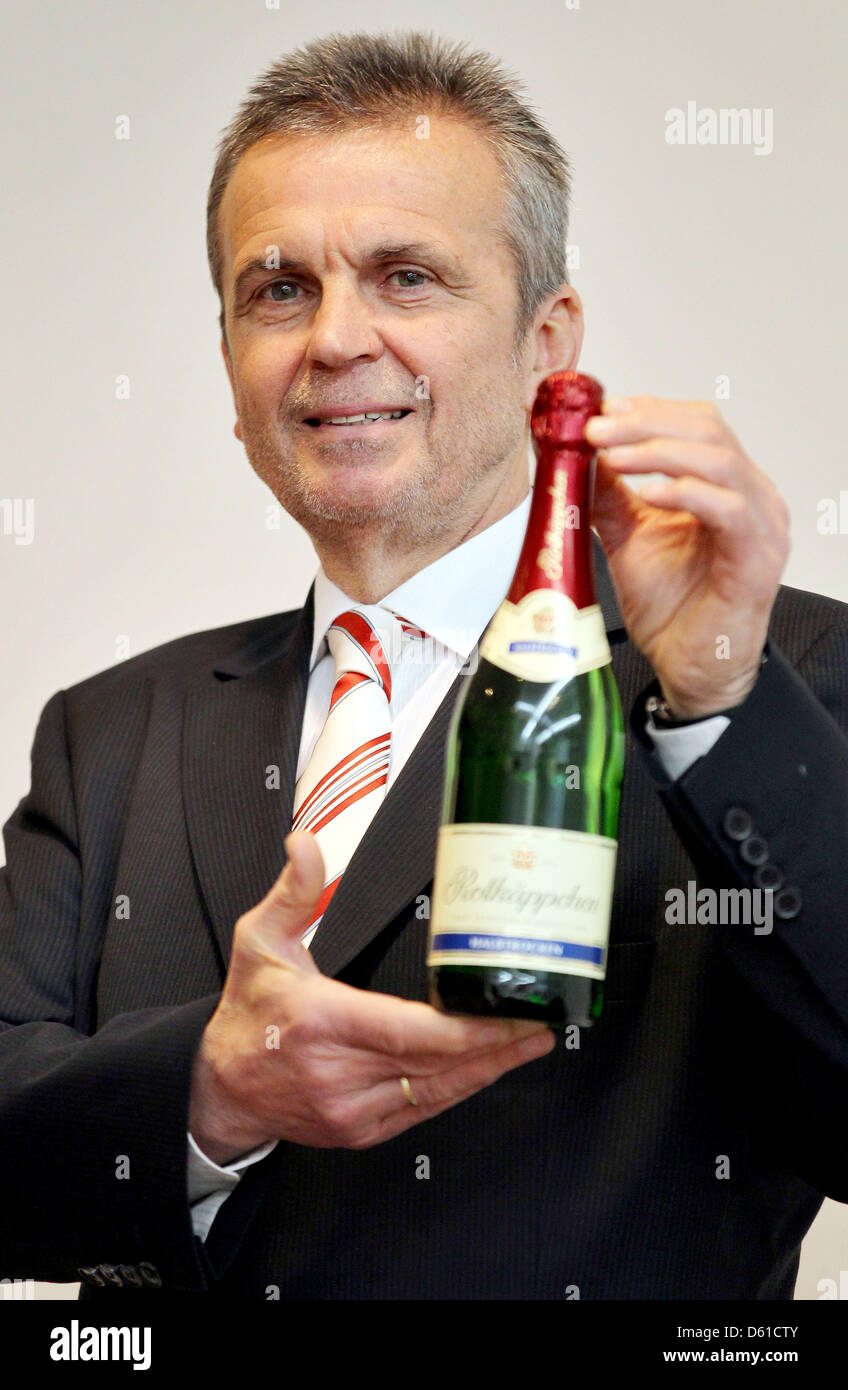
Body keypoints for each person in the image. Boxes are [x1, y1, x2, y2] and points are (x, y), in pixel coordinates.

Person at [2, 30, 847, 1301]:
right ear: (230, 363)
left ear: (546, 341)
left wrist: (718, 704)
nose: (336, 338)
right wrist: (206, 1096)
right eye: (279, 289)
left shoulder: (773, 671)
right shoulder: (111, 729)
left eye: (406, 276)